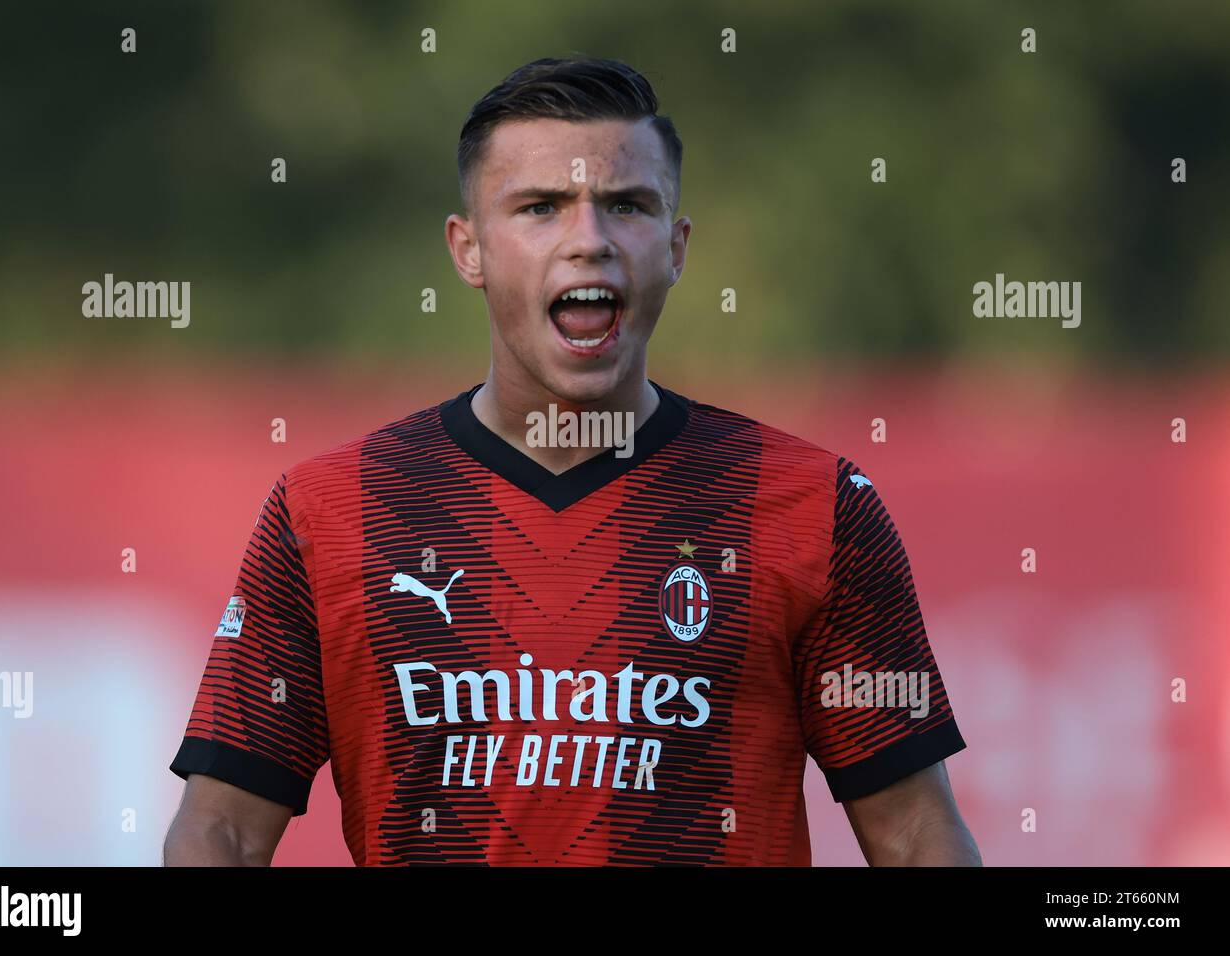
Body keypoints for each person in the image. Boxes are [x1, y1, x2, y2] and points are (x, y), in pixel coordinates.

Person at [164, 56, 980, 866]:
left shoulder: (814, 505)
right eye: (541, 207)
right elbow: (221, 831)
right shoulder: (331, 510)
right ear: (469, 249)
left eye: (626, 205)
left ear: (676, 245)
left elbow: (914, 836)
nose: (588, 240)